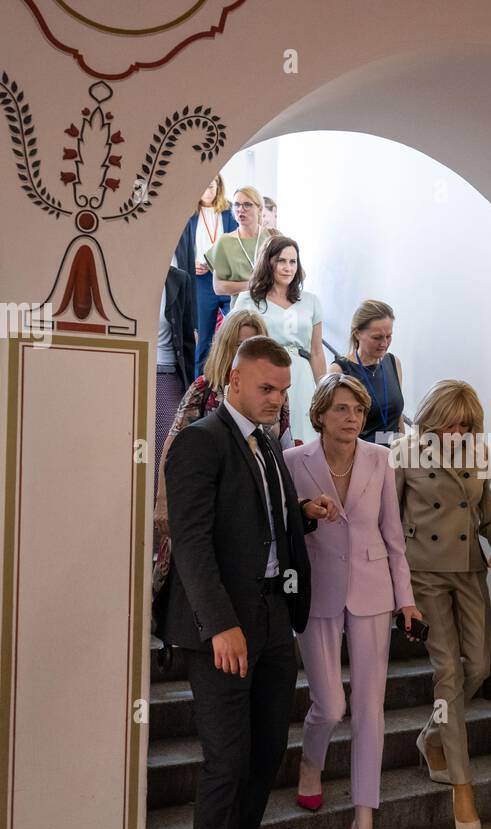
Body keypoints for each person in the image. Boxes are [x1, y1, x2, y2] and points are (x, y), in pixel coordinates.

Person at [159, 335, 337, 829]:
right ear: (233, 381)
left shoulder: (267, 444)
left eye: (283, 392)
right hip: (222, 630)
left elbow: (267, 525)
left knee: (264, 761)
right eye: (266, 388)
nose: (276, 400)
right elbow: (190, 542)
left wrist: (302, 517)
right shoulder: (198, 442)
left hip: (271, 620)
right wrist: (219, 624)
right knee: (226, 766)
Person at [283, 373, 422, 829]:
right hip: (317, 590)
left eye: (359, 411)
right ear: (320, 413)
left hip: (372, 591)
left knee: (369, 710)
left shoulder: (381, 460)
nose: (352, 418)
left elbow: (393, 534)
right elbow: (284, 528)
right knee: (331, 705)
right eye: (341, 409)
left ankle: (364, 826)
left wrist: (406, 599)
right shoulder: (294, 461)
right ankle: (310, 763)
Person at [390, 380, 491, 829]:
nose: (456, 432)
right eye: (449, 423)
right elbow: (388, 518)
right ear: (431, 417)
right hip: (423, 573)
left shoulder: (479, 453)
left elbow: (488, 515)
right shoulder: (404, 451)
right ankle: (462, 787)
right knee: (448, 670)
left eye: (465, 425)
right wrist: (395, 587)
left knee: (480, 667)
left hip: (470, 571)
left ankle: (430, 736)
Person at [152, 310, 292, 628]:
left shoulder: (277, 397)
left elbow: (285, 451)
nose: (248, 349)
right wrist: (162, 502)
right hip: (209, 506)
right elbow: (172, 445)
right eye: (242, 343)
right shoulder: (204, 388)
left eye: (256, 342)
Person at [228, 237, 325, 445]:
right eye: (282, 261)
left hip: (301, 376)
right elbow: (233, 346)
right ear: (268, 262)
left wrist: (324, 389)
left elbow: (317, 351)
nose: (288, 267)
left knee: (305, 441)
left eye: (293, 262)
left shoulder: (310, 301)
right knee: (268, 438)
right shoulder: (248, 300)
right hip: (264, 374)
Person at [179, 174, 238, 379]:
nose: (208, 191)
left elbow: (236, 245)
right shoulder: (189, 213)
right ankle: (198, 388)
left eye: (212, 186)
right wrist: (191, 263)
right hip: (201, 281)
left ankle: (227, 383)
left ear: (219, 187)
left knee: (234, 334)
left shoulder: (230, 212)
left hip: (226, 277)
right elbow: (182, 247)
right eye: (204, 186)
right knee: (203, 339)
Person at [330, 299, 405, 444]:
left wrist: (406, 453)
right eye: (377, 337)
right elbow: (331, 426)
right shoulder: (339, 370)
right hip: (360, 456)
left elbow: (397, 415)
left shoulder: (393, 362)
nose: (384, 343)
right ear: (357, 333)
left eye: (388, 336)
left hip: (394, 455)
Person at [155, 260, 196, 499]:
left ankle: (162, 523)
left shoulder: (178, 279)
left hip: (168, 374)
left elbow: (187, 339)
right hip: (133, 370)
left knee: (166, 450)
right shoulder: (127, 272)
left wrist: (189, 388)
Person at [205, 184, 279, 308]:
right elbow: (218, 287)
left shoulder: (273, 237)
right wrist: (253, 285)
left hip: (273, 308)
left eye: (247, 204)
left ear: (260, 209)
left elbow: (298, 273)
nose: (241, 209)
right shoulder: (225, 242)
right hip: (241, 313)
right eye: (236, 205)